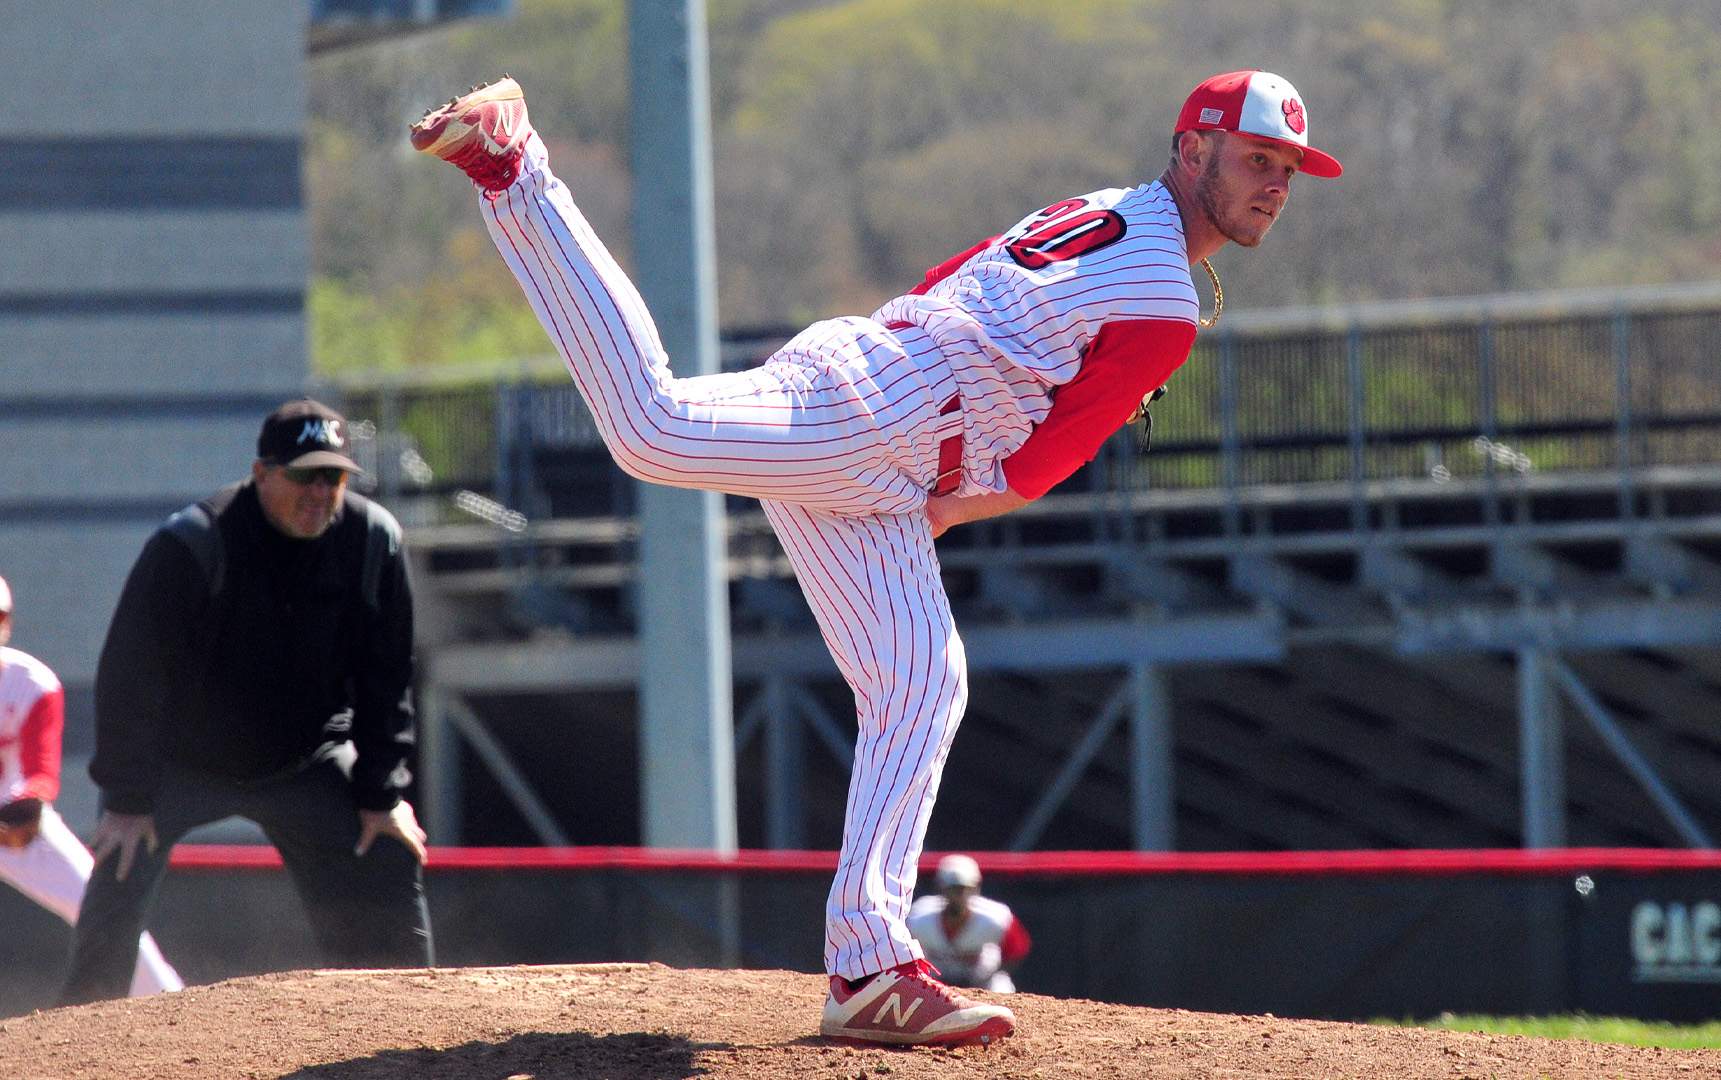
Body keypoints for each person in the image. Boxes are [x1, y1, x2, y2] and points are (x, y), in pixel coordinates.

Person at [410, 68, 1338, 1044]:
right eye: (1255, 159)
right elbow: (1042, 463)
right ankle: (516, 169)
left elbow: (954, 275)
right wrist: (945, 504)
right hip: (879, 420)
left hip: (883, 414)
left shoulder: (1105, 210)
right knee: (652, 428)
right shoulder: (1160, 296)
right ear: (1194, 150)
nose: (1274, 183)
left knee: (920, 685)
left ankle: (867, 967)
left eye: (1286, 168)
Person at [57, 400, 433, 1005]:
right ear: (261, 475)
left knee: (389, 841)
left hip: (307, 758)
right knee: (120, 857)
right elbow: (130, 676)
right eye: (304, 475)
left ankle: (410, 1032)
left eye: (333, 477)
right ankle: (72, 1044)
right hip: (180, 764)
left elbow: (388, 678)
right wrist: (126, 798)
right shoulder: (194, 541)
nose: (320, 491)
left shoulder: (371, 540)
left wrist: (380, 794)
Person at [0, 574, 184, 998]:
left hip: (17, 828)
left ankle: (172, 1005)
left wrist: (19, 813)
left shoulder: (32, 683)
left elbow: (39, 778)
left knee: (99, 907)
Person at [906, 855, 1029, 994]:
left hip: (983, 982)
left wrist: (989, 975)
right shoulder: (919, 918)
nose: (960, 895)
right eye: (954, 888)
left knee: (1002, 987)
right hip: (934, 982)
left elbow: (1016, 950)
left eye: (965, 888)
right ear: (941, 889)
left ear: (975, 889)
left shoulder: (995, 918)